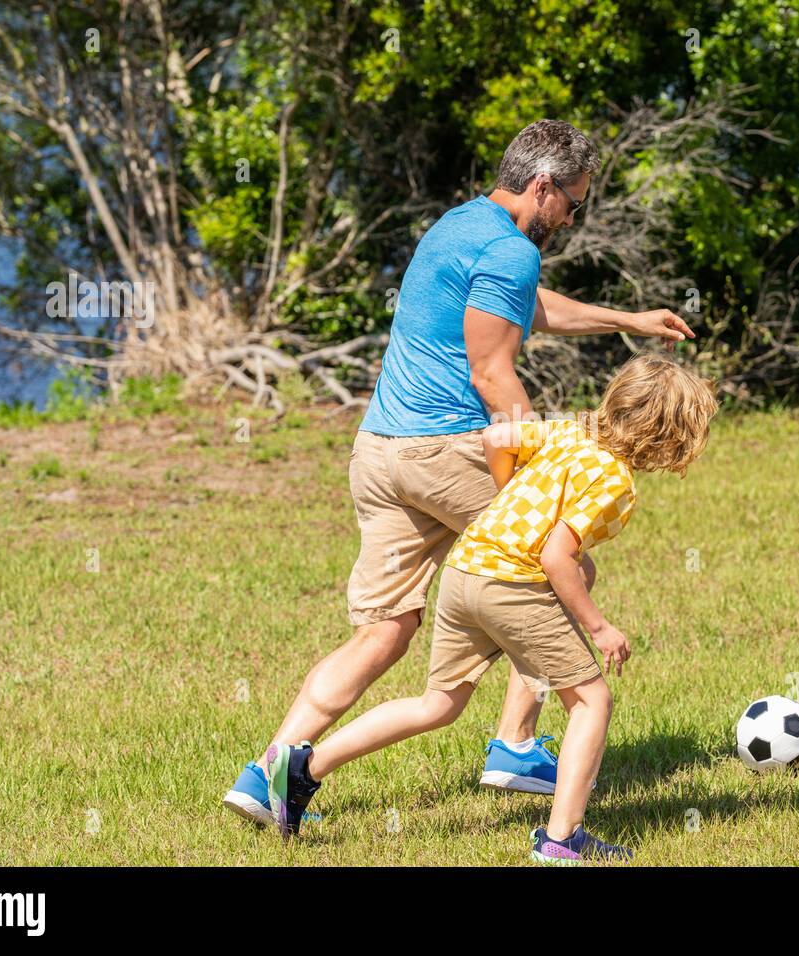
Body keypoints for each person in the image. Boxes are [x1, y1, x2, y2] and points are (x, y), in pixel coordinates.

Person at [224, 119, 695, 824]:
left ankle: (267, 774)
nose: (572, 217)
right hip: (442, 449)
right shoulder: (511, 252)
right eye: (572, 201)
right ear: (542, 186)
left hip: (379, 450)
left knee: (384, 631)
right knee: (556, 566)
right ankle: (513, 744)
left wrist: (629, 319)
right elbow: (492, 369)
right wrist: (530, 482)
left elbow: (528, 308)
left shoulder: (458, 226)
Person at [265, 354, 720, 863]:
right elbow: (556, 556)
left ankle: (305, 768)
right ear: (672, 436)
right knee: (592, 701)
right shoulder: (616, 482)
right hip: (512, 585)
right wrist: (599, 626)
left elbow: (497, 438)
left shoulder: (572, 432)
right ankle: (562, 839)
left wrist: (510, 500)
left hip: (467, 568)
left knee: (438, 704)